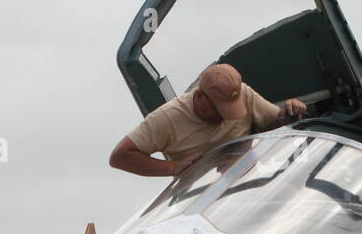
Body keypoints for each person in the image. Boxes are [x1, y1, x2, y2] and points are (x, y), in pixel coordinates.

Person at [109, 63, 307, 177]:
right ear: (201, 96)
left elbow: (275, 122)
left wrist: (290, 111)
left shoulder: (243, 94)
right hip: (203, 200)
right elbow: (120, 156)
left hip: (251, 182)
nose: (225, 117)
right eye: (220, 109)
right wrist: (172, 167)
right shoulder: (168, 118)